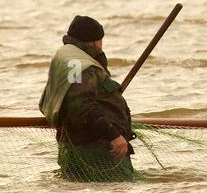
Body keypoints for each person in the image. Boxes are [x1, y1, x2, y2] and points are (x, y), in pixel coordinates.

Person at [38, 15, 138, 181]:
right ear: (94, 42)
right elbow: (81, 107)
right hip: (96, 154)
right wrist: (113, 135)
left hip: (80, 150)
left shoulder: (69, 59)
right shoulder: (81, 66)